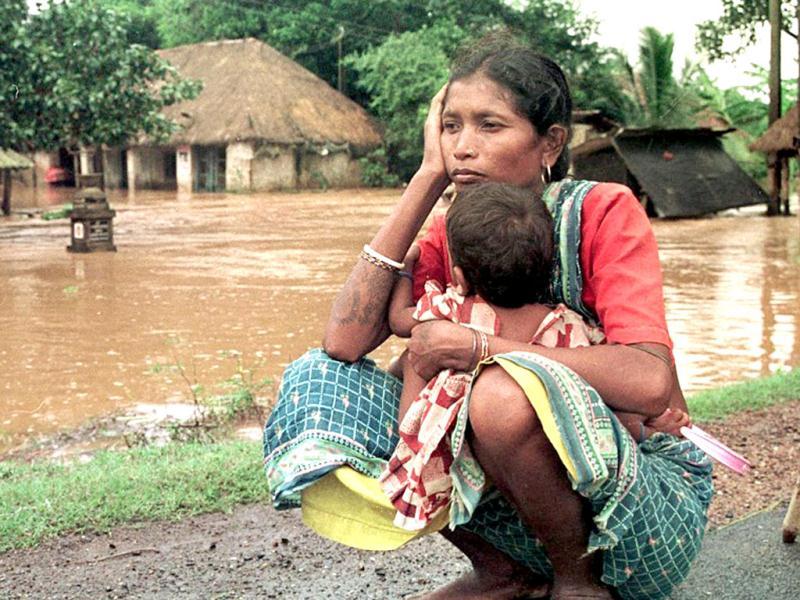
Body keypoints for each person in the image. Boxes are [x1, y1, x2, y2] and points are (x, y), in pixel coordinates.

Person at [263, 33, 712, 600]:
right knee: (318, 381)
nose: (462, 147)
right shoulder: (450, 229)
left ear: (549, 142)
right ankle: (507, 570)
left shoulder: (601, 213)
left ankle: (577, 582)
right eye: (451, 126)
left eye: (489, 126)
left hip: (634, 516)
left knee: (497, 392)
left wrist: (483, 351)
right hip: (519, 492)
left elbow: (650, 384)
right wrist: (427, 179)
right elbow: (344, 343)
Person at [382, 182, 608, 533]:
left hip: (449, 458)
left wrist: (406, 269)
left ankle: (408, 438)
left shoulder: (450, 310)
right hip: (538, 466)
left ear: (457, 277)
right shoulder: (564, 326)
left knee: (417, 346)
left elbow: (399, 319)